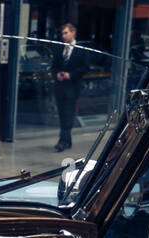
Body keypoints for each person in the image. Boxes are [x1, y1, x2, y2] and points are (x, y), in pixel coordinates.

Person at [51, 23, 89, 152]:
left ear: (73, 33)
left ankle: (63, 141)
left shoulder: (81, 49)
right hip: (60, 87)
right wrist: (57, 74)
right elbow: (54, 67)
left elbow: (85, 67)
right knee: (62, 114)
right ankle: (67, 140)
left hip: (73, 87)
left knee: (69, 114)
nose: (63, 36)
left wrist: (71, 75)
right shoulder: (60, 49)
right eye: (62, 33)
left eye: (66, 33)